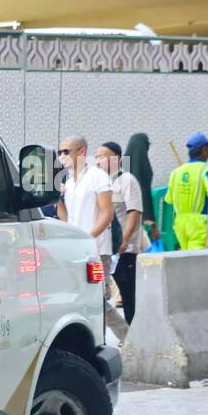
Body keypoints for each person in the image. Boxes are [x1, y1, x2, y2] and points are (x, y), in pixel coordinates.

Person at [96, 141, 145, 323]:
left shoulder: (127, 180)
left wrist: (124, 241)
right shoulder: (101, 183)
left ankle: (135, 336)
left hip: (125, 250)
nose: (98, 160)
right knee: (103, 295)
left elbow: (134, 212)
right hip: (106, 249)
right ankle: (126, 334)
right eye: (97, 156)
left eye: (102, 156)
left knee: (129, 295)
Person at [55, 135, 114, 275]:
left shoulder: (98, 176)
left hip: (96, 251)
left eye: (66, 152)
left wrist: (87, 239)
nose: (62, 156)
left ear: (81, 152)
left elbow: (108, 213)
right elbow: (66, 219)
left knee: (100, 294)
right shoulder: (69, 182)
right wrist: (57, 198)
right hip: (74, 250)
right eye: (60, 153)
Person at [165, 132, 208, 250]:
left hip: (179, 223)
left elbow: (169, 199)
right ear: (204, 149)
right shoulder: (207, 171)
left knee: (186, 260)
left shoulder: (176, 173)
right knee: (197, 263)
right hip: (199, 224)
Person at [125, 132, 159, 245]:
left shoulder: (122, 167)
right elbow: (145, 196)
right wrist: (153, 225)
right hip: (134, 221)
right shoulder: (142, 167)